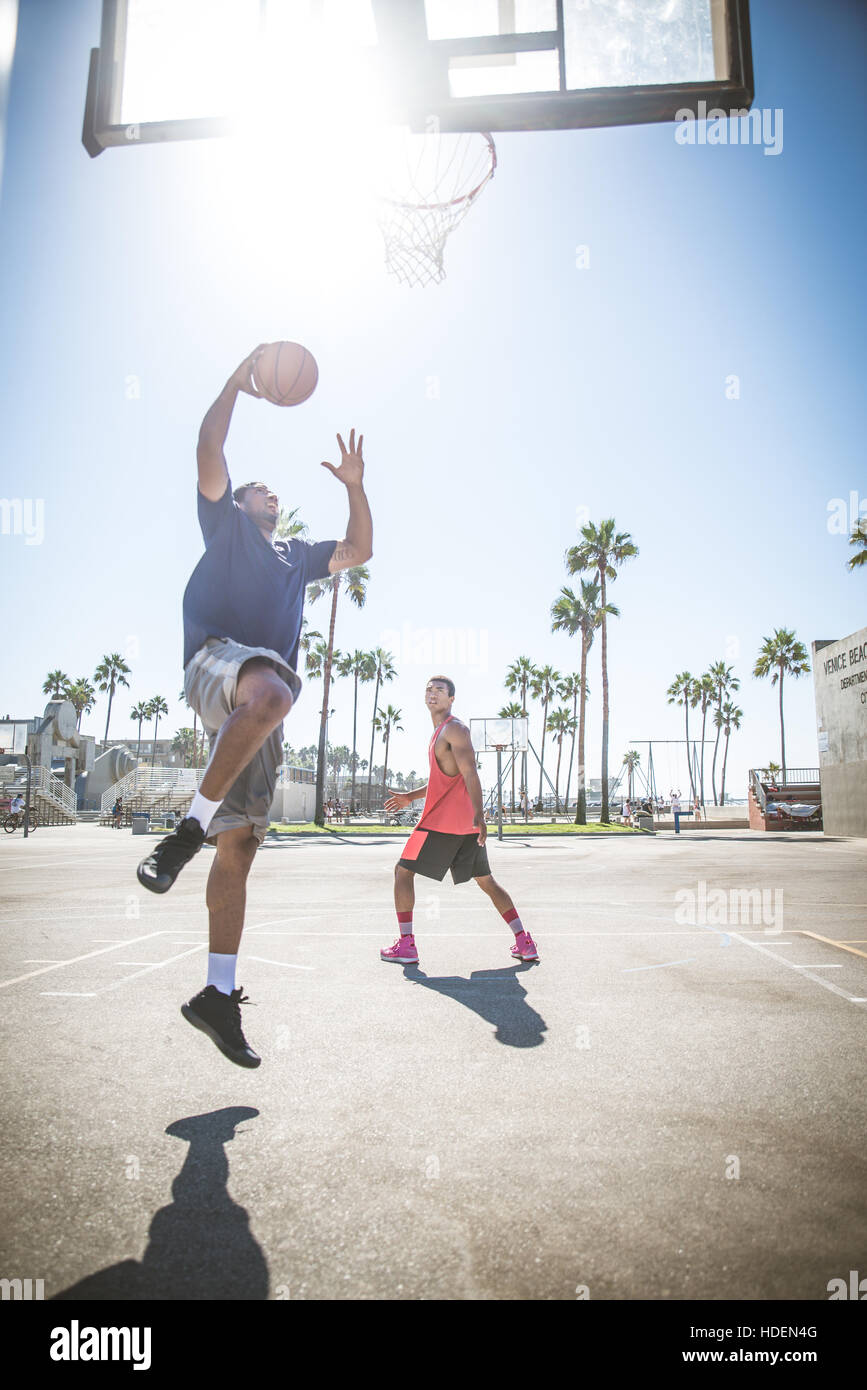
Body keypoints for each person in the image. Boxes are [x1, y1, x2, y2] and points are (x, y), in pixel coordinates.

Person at [136, 346, 372, 1068]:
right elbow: (210, 445)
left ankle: (216, 993)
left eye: (271, 492)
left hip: (252, 708)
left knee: (241, 846)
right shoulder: (226, 526)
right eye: (256, 489)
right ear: (238, 504)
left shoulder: (297, 555)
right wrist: (239, 381)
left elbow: (359, 549)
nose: (266, 494)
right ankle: (184, 830)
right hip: (217, 662)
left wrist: (356, 486)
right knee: (273, 689)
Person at [380, 677, 538, 965]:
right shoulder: (441, 731)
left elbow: (470, 773)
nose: (432, 693)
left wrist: (480, 813)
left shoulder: (454, 729)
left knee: (402, 873)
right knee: (487, 881)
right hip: (463, 826)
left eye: (440, 690)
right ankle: (523, 941)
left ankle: (406, 945)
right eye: (428, 688)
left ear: (451, 699)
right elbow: (446, 781)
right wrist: (409, 797)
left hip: (440, 823)